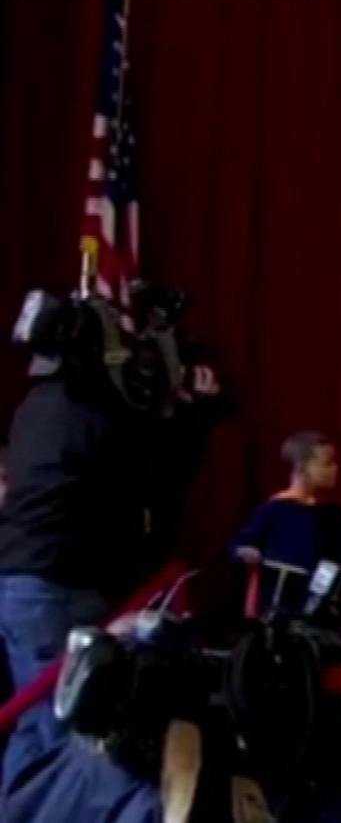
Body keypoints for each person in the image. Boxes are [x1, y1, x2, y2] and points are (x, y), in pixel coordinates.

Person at [0, 331, 220, 793]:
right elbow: (154, 480)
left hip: (26, 582)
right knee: (68, 731)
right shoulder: (93, 413)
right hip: (54, 588)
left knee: (36, 729)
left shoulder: (32, 408)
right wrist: (187, 417)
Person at [228, 431, 341, 612]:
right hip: (281, 609)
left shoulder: (332, 514)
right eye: (327, 463)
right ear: (302, 466)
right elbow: (238, 545)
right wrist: (245, 552)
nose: (335, 469)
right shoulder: (276, 509)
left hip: (322, 613)